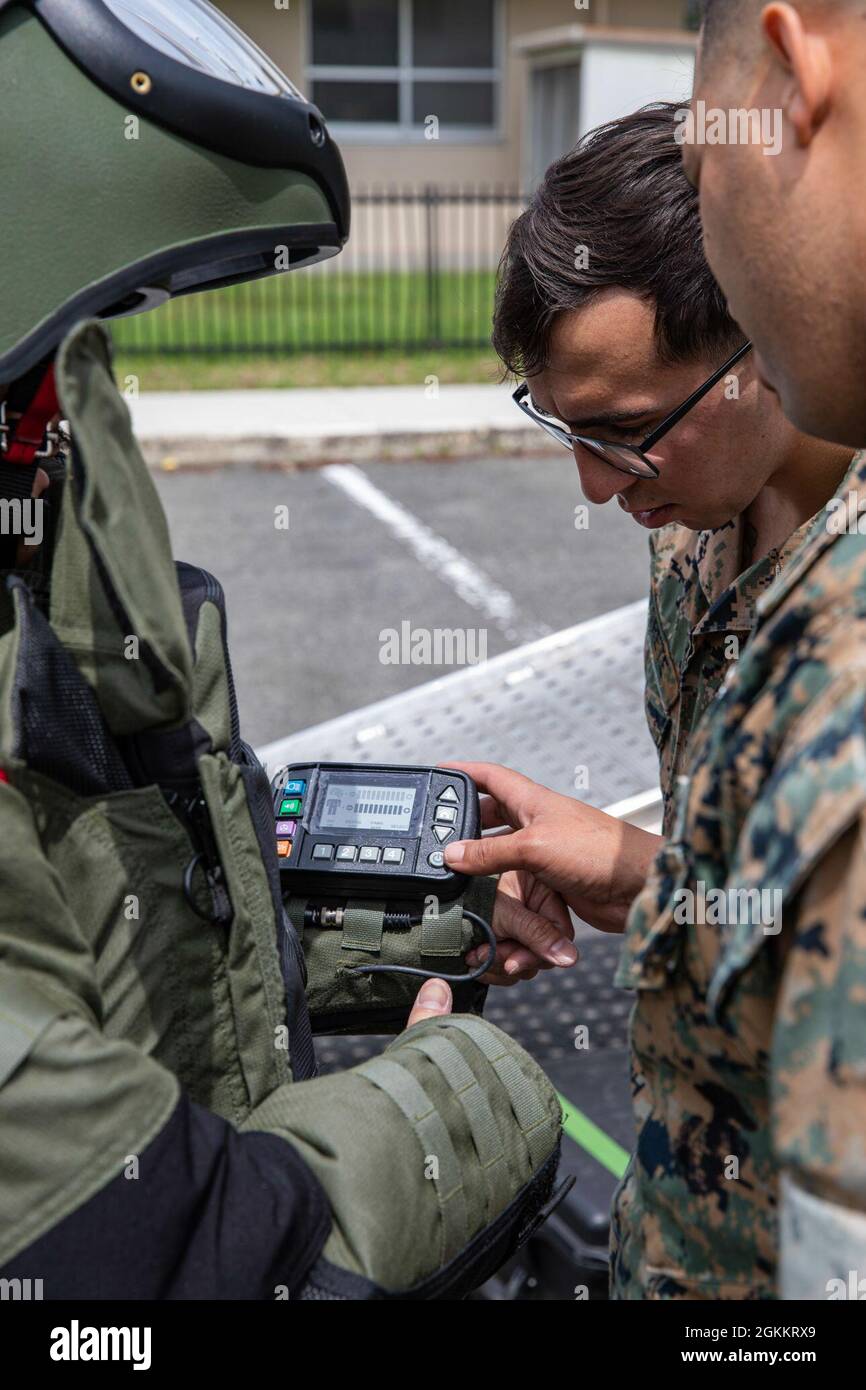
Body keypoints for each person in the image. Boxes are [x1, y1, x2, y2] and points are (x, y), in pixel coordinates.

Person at [0, 0, 563, 1300]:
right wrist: (476, 1079)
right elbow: (196, 1251)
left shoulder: (60, 403)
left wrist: (433, 927)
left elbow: (139, 909)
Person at [446, 55, 866, 1295]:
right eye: (563, 426)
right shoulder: (695, 525)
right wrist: (637, 874)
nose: (592, 485)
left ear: (755, 334)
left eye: (624, 431)